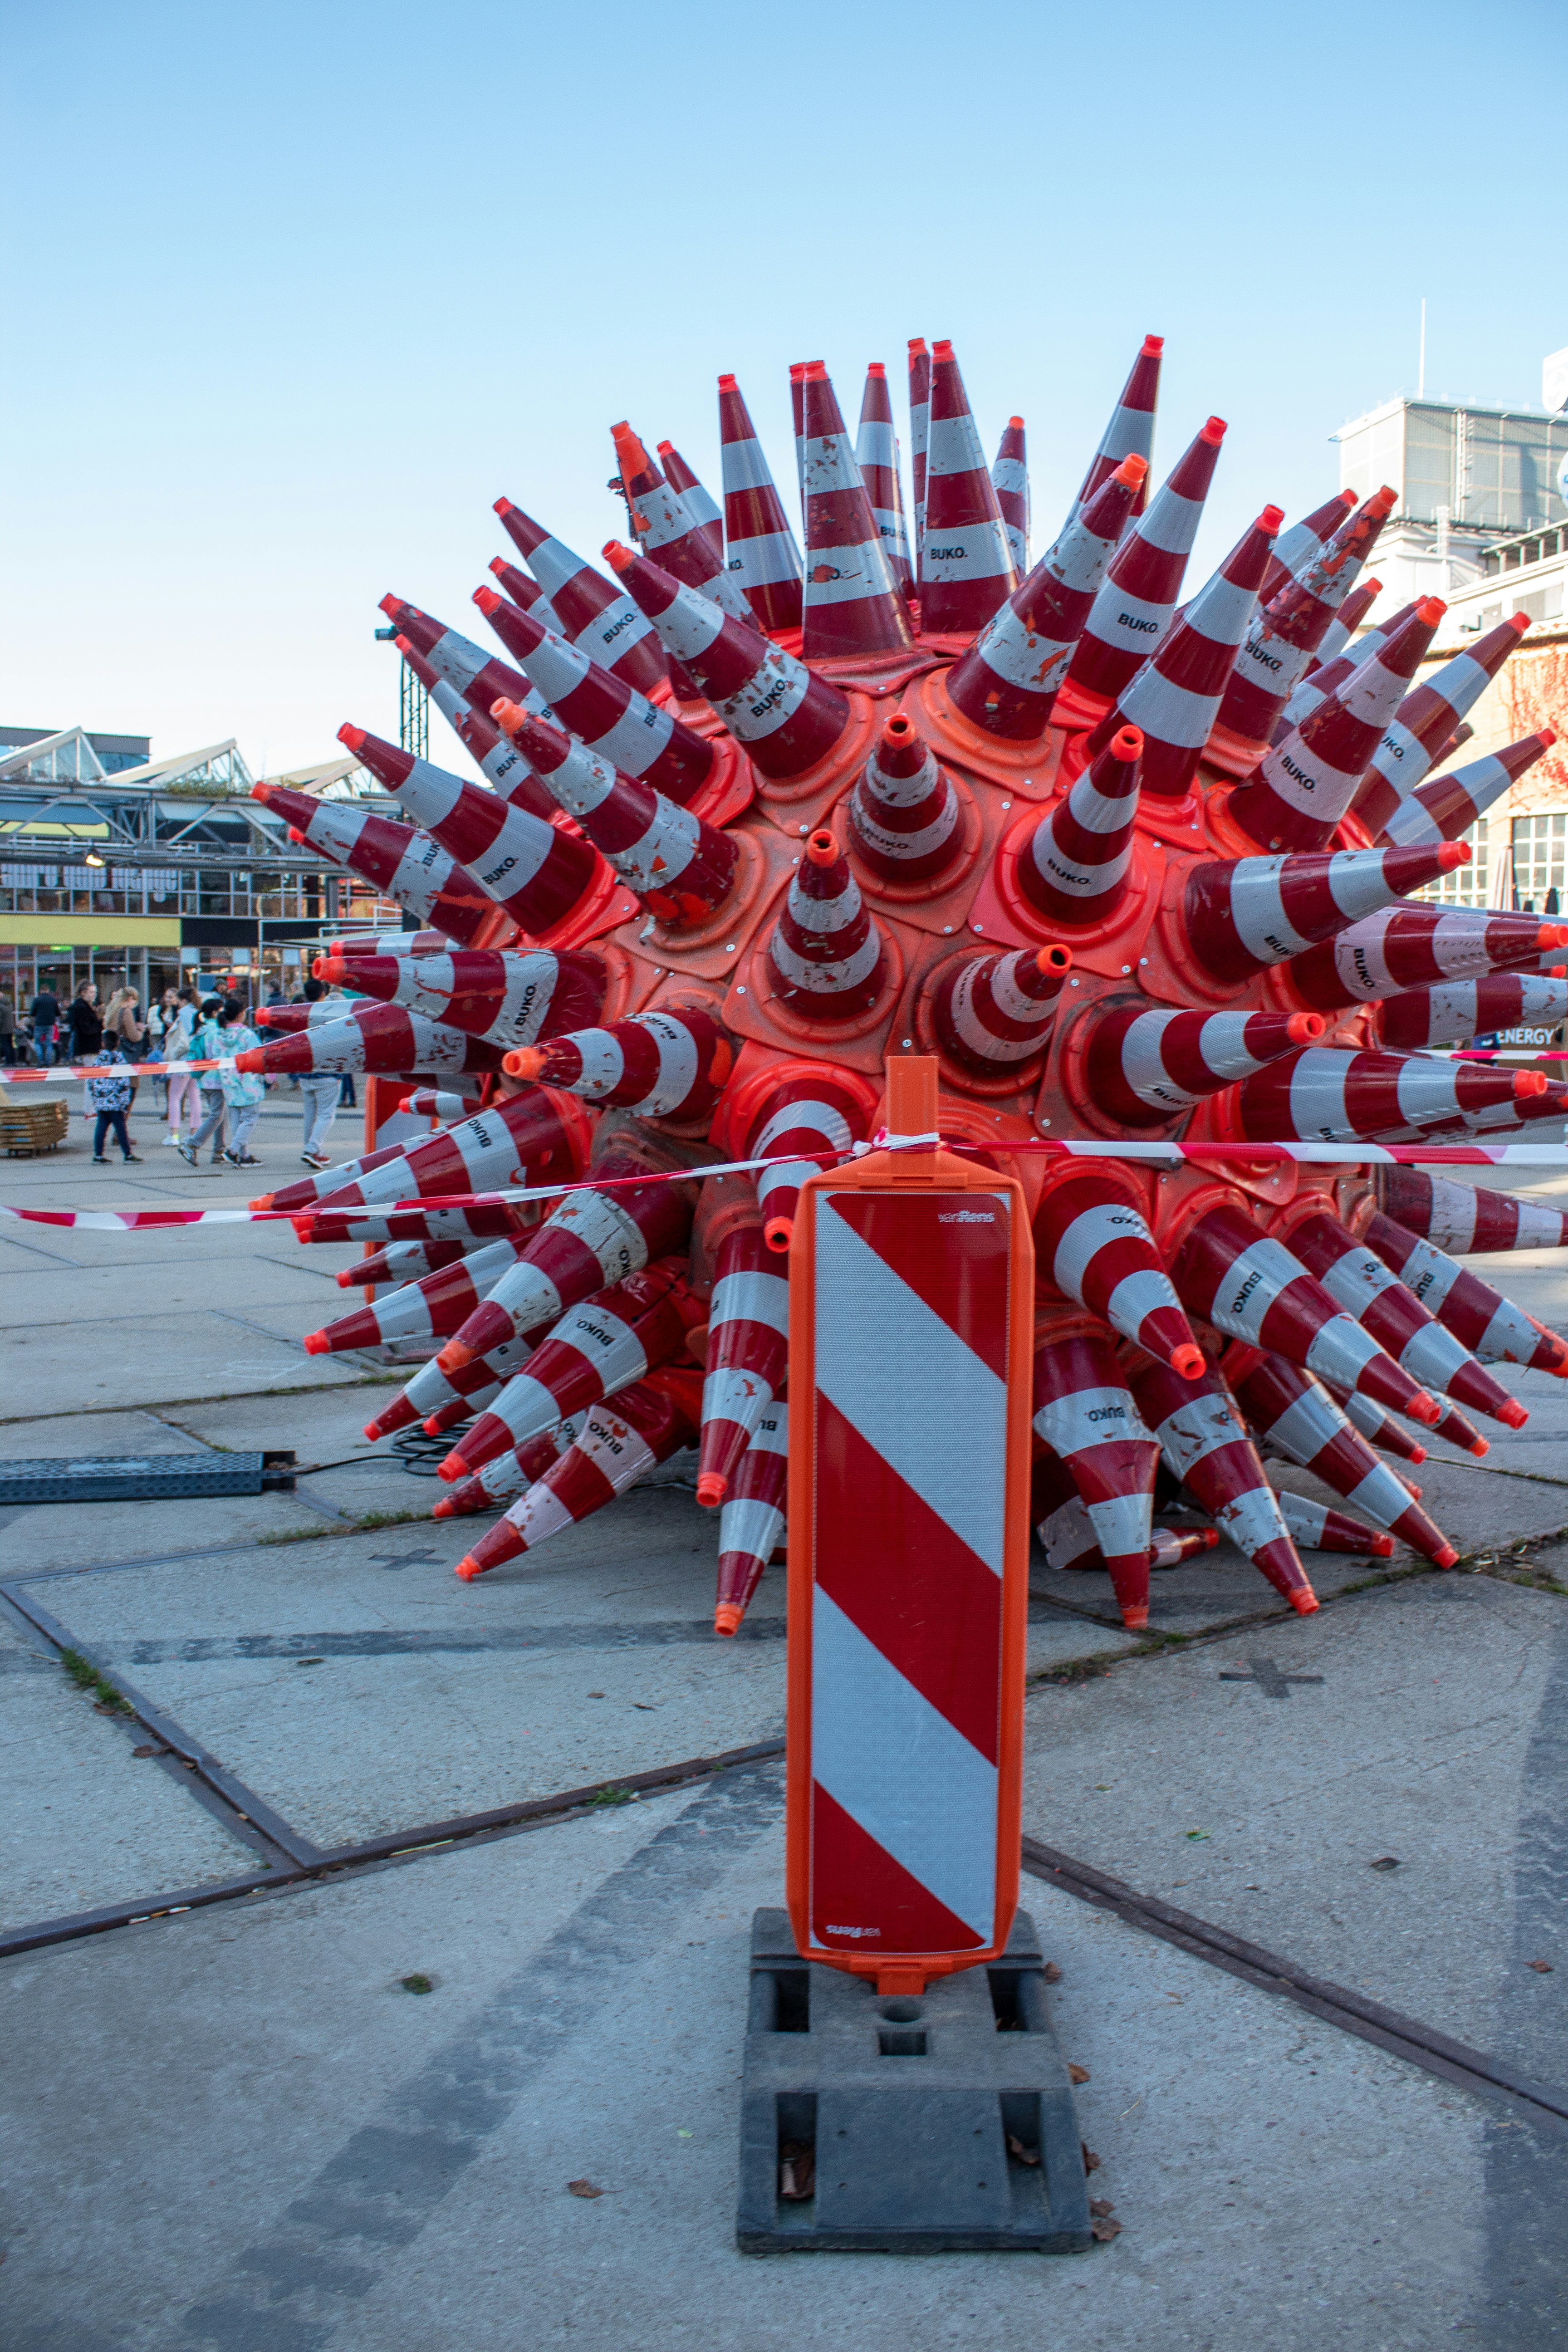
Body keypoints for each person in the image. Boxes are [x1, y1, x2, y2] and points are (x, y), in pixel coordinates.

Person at [179, 997, 230, 1166]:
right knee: (217, 1115)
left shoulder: (203, 1030)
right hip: (215, 1079)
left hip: (204, 1079)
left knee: (220, 1115)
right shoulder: (215, 1031)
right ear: (215, 1013)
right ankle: (192, 1144)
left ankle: (219, 1151)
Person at [216, 997, 267, 1166]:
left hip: (229, 1082)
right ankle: (233, 1151)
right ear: (241, 1014)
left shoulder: (219, 1035)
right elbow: (260, 1057)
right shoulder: (247, 1035)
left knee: (237, 1120)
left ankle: (243, 1155)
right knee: (250, 1118)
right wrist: (269, 1077)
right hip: (248, 1083)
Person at [296, 978, 340, 1167]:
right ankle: (312, 1149)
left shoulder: (299, 1014)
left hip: (305, 1071)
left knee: (311, 1115)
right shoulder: (329, 1014)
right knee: (326, 1115)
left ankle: (312, 1148)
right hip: (327, 1070)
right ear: (323, 994)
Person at [87, 1036, 142, 1164]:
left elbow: (91, 1080)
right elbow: (124, 1082)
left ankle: (98, 1155)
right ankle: (128, 1155)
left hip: (101, 1101)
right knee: (121, 1128)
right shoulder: (119, 1059)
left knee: (101, 1128)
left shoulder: (98, 1060)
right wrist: (124, 1102)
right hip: (115, 1102)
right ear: (117, 1043)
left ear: (102, 1043)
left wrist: (96, 1097)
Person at [162, 987, 201, 1146]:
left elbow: (184, 1042)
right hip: (196, 1061)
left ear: (183, 1001)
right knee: (195, 1097)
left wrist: (173, 1055)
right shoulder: (197, 1012)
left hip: (182, 1061)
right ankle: (194, 1132)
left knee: (175, 1097)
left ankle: (174, 1134)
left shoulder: (184, 1014)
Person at [64, 982, 102, 1063]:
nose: (94, 995)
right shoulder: (82, 1008)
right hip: (88, 1048)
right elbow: (87, 1029)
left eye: (95, 992)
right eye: (91, 992)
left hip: (89, 1048)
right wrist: (101, 1023)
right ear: (83, 993)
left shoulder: (84, 1006)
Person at [29, 984, 60, 1066]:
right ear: (48, 990)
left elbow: (32, 1013)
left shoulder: (37, 1000)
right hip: (50, 1025)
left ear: (41, 991)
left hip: (39, 1024)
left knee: (37, 1043)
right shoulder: (53, 1000)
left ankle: (41, 1061)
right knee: (49, 1044)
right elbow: (58, 1013)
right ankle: (48, 1062)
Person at [0, 991, 16, 1067]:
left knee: (5, 1045)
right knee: (11, 1045)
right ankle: (13, 1061)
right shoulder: (9, 1005)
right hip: (10, 1028)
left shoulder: (0, 1006)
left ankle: (9, 1062)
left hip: (3, 1029)